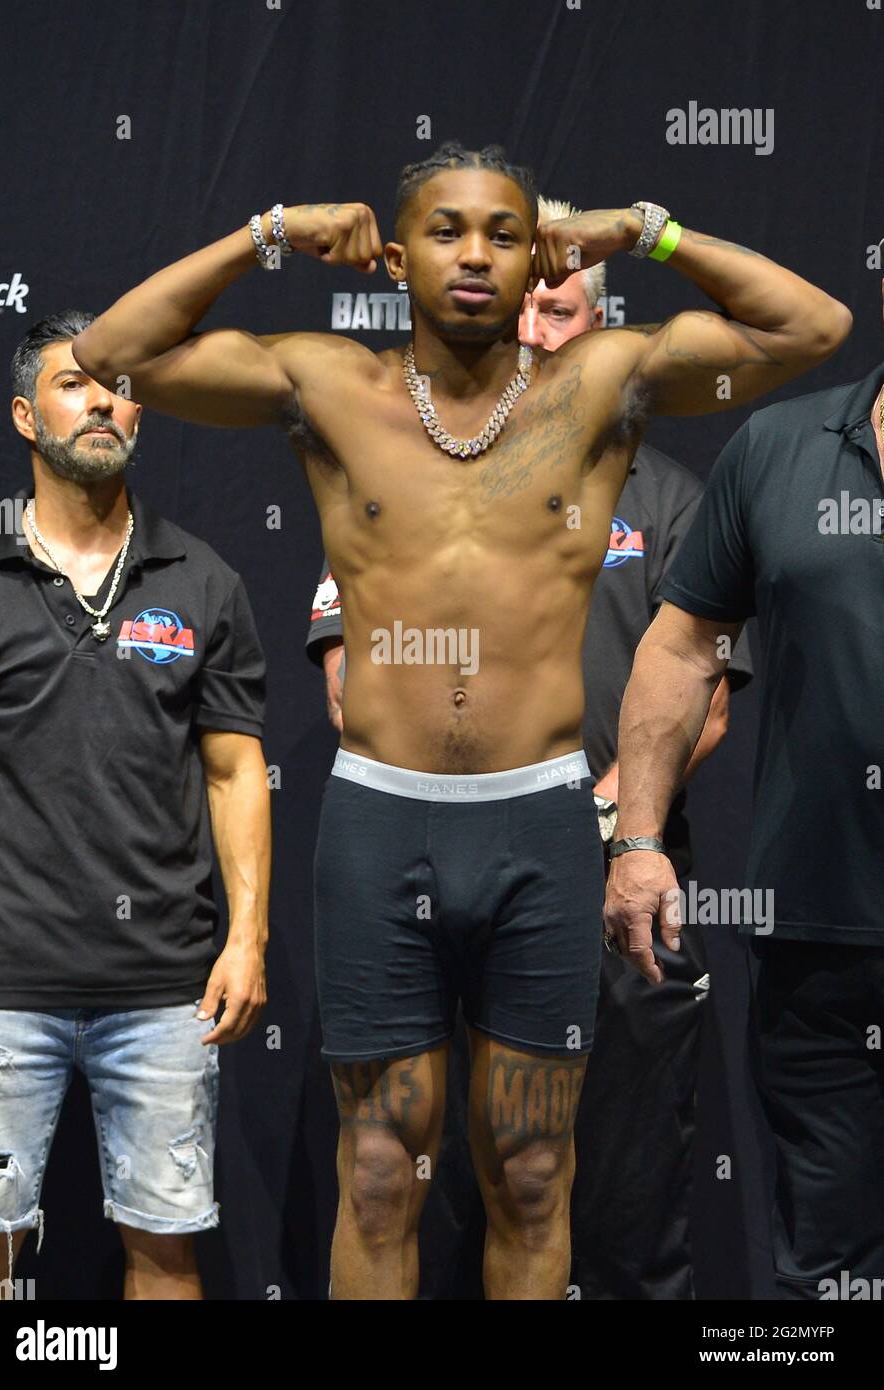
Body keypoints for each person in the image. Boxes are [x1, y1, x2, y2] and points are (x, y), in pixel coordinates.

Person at [72, 141, 850, 1300]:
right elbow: (111, 354)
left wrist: (642, 229)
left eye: (503, 232)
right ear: (394, 257)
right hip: (383, 825)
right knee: (380, 1169)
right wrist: (272, 229)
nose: (476, 255)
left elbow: (814, 327)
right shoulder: (330, 385)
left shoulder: (604, 387)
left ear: (540, 249)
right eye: (446, 231)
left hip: (540, 826)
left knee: (534, 1169)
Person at [304, 196, 754, 1299]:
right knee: (409, 1178)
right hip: (426, 857)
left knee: (603, 1185)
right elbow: (348, 680)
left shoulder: (674, 495)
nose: (542, 329)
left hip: (621, 867)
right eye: (531, 310)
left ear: (601, 333)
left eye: (565, 311)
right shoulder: (410, 469)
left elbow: (709, 699)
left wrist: (597, 816)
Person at [0, 312, 269, 1300]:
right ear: (24, 415)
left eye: (120, 385)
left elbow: (234, 774)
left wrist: (249, 937)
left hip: (162, 988)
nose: (103, 400)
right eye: (74, 384)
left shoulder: (203, 580)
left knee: (166, 1251)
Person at [603, 283, 884, 1300]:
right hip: (819, 935)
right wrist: (637, 840)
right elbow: (680, 651)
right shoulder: (781, 445)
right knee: (829, 1264)